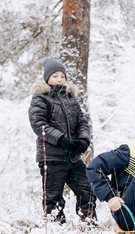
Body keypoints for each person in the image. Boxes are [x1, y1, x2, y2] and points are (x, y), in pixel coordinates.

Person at [28, 58, 96, 225]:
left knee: (87, 190)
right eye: (55, 75)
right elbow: (38, 124)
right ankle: (56, 231)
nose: (59, 79)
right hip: (51, 158)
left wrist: (83, 140)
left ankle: (88, 226)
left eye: (62, 76)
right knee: (53, 198)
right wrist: (61, 140)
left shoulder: (71, 99)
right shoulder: (41, 98)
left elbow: (82, 122)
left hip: (73, 157)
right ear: (47, 78)